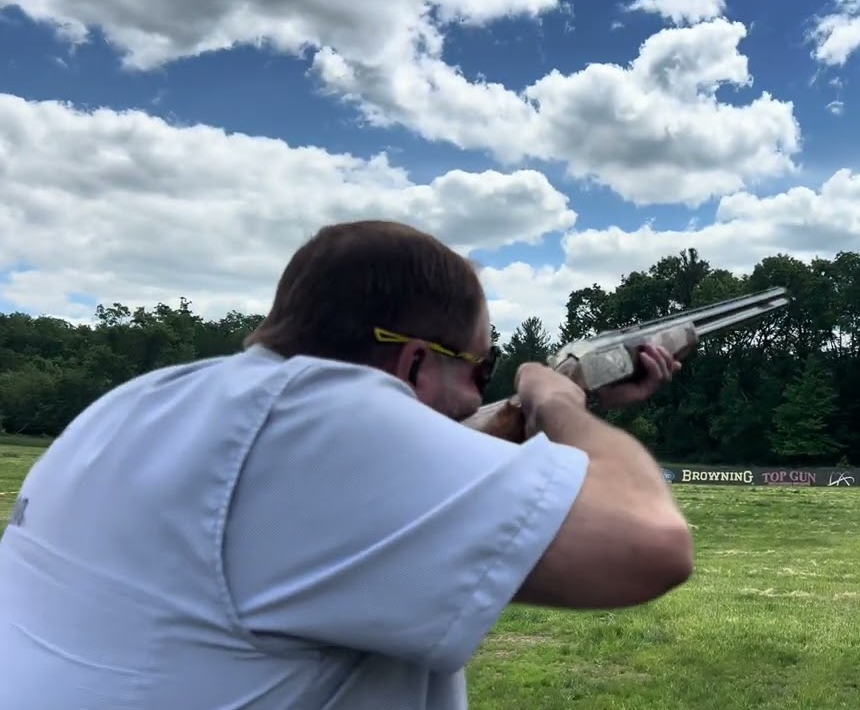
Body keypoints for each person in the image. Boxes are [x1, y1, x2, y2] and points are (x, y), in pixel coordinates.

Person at [0, 220, 694, 709]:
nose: (481, 391)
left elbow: (431, 455)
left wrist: (558, 404)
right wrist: (560, 405)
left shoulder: (141, 401)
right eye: (481, 368)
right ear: (414, 360)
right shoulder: (325, 420)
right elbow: (650, 543)